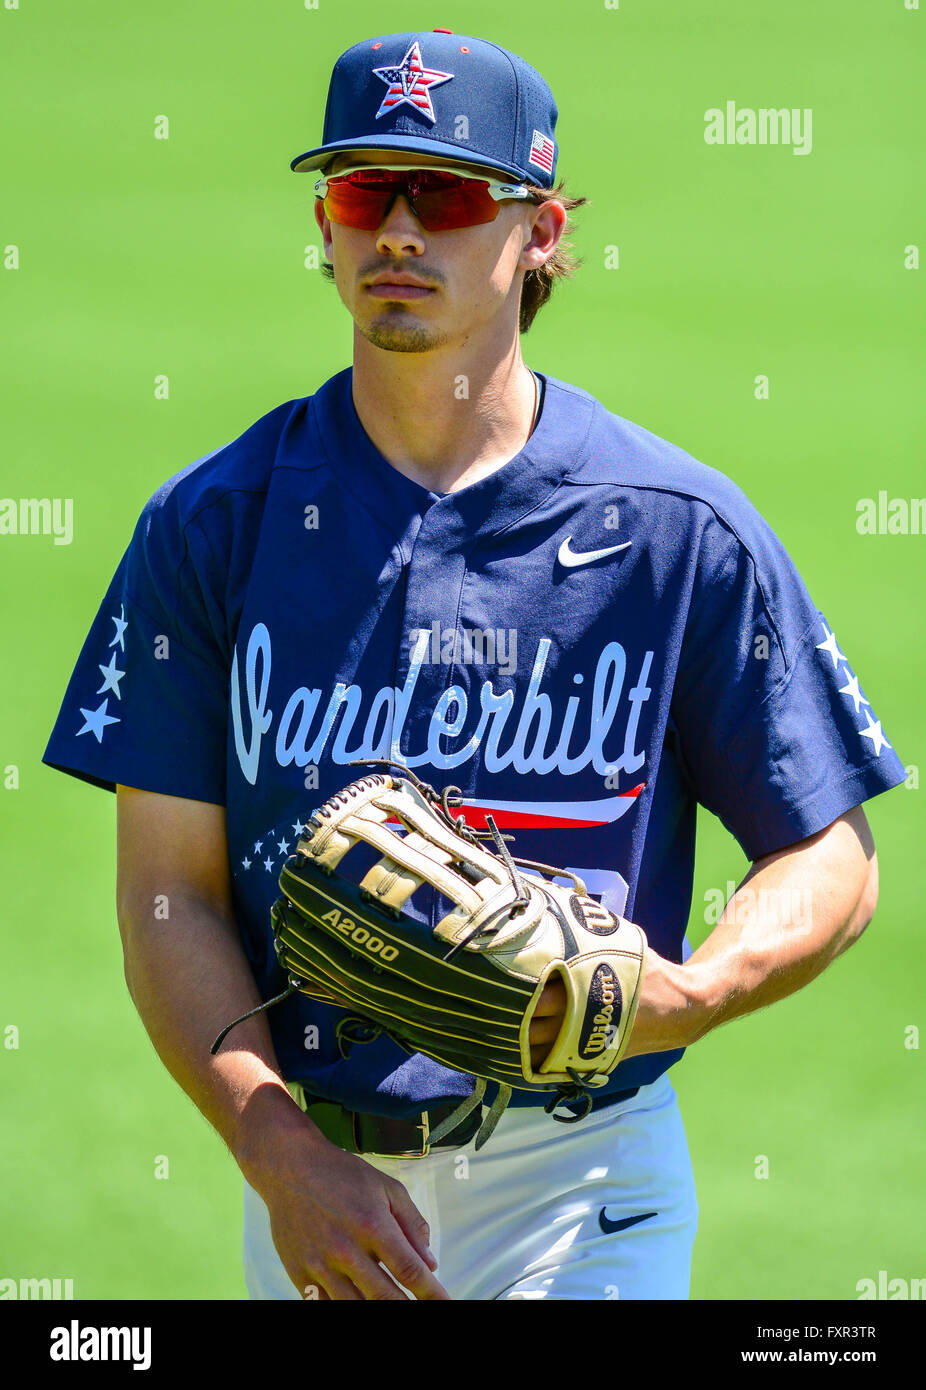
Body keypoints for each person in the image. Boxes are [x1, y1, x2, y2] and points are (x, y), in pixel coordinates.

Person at [43, 28, 905, 1302]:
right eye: (357, 192)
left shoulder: (671, 529)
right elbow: (167, 894)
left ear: (540, 230)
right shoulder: (213, 525)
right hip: (315, 1185)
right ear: (324, 226)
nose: (395, 232)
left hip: (584, 1176)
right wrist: (271, 1147)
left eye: (441, 196)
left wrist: (693, 991)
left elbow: (829, 851)